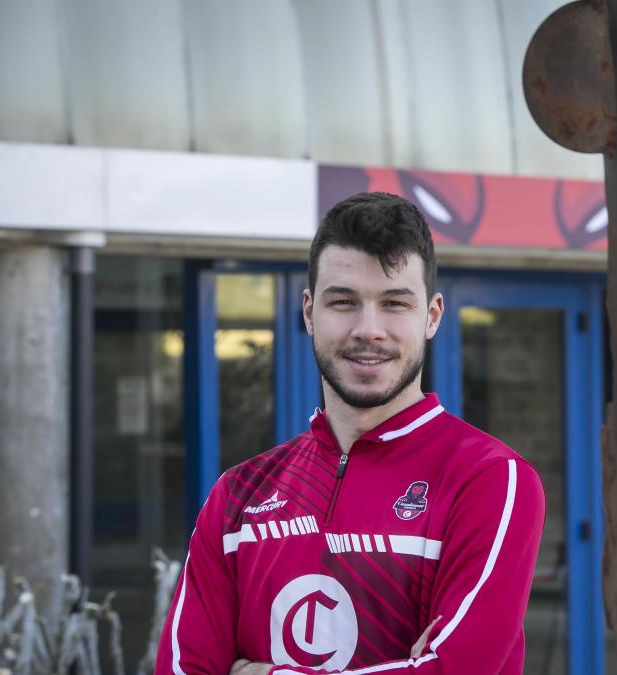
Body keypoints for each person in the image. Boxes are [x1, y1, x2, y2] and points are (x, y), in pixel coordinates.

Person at [154, 192, 546, 674]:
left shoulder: (489, 479)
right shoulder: (238, 497)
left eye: (395, 304)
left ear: (433, 316)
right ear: (309, 312)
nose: (369, 329)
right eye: (343, 302)